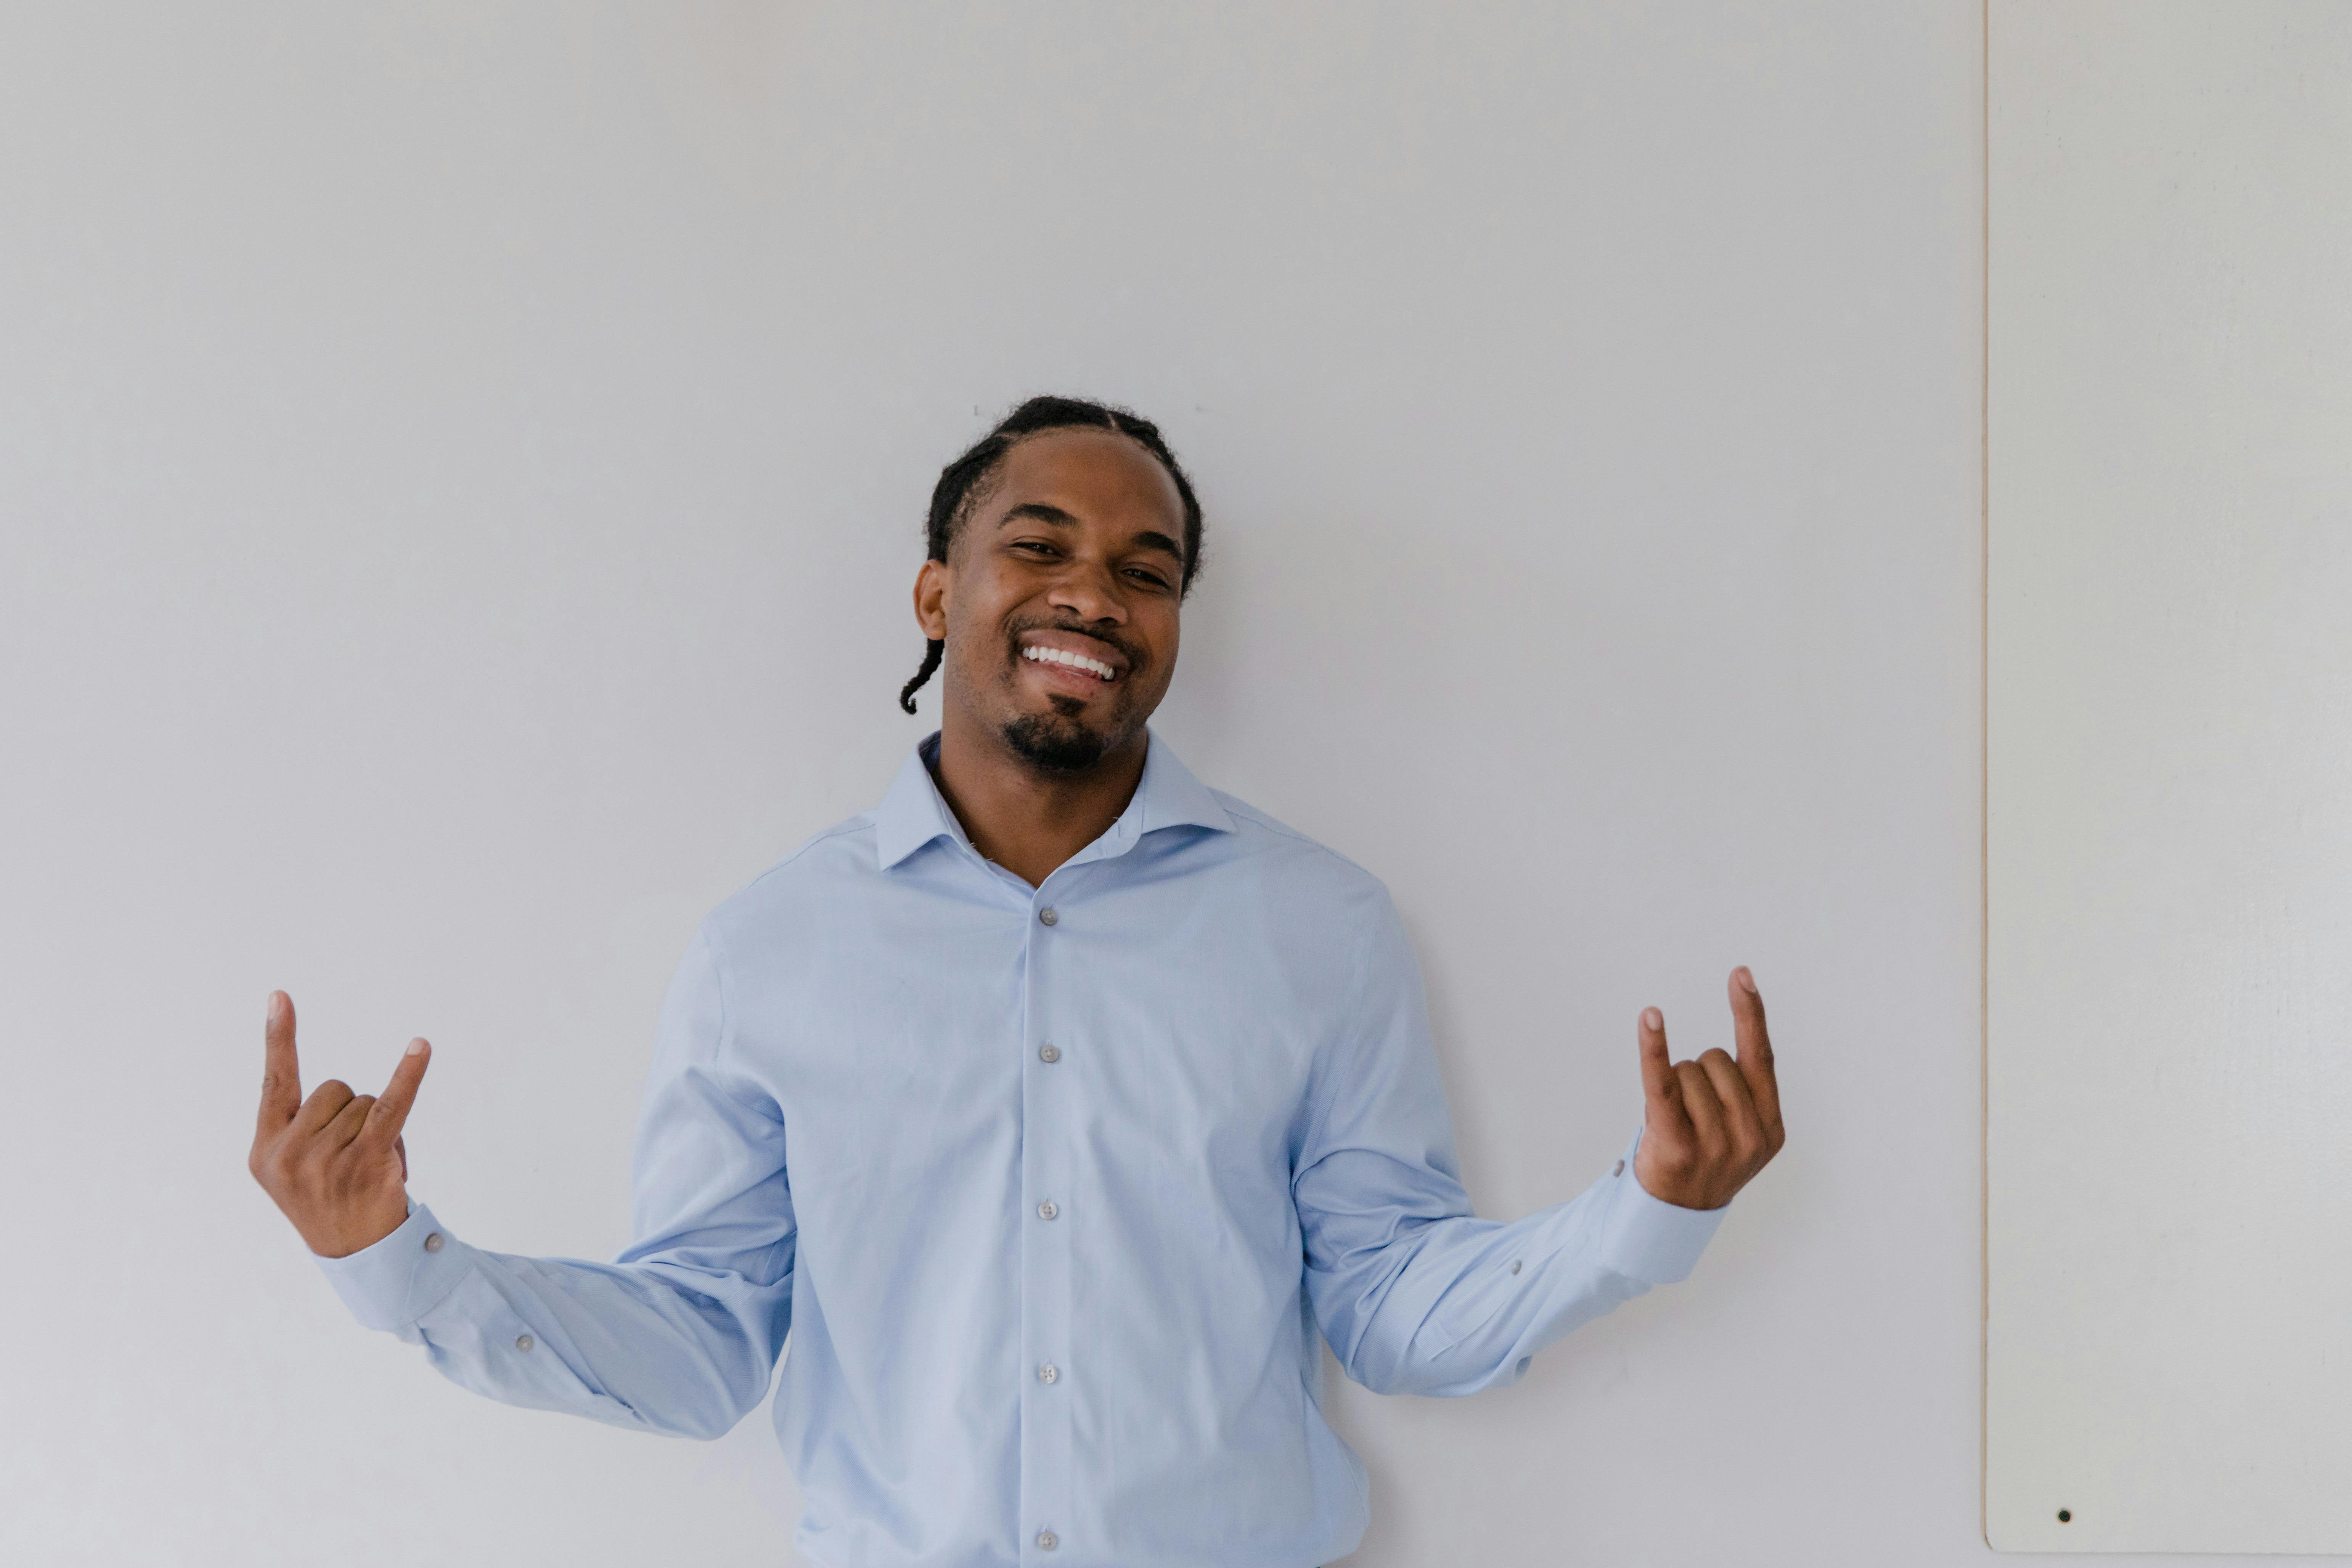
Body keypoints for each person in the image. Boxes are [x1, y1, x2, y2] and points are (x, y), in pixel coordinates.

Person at [248, 395, 1785, 1568]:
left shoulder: (1321, 927)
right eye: (1038, 544)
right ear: (939, 594)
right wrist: (401, 1258)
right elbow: (704, 1336)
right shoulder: (770, 947)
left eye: (1147, 567)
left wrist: (1645, 1206)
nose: (1095, 593)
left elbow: (1389, 1304)